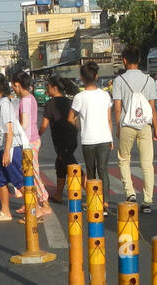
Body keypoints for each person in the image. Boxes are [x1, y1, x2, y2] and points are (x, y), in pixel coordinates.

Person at [111, 46, 157, 213]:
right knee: (147, 164)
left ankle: (130, 193)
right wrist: (156, 129)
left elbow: (117, 107)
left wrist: (118, 127)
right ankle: (148, 200)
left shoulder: (119, 81)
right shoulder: (150, 80)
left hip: (127, 125)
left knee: (124, 159)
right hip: (145, 126)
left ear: (125, 60)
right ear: (138, 60)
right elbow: (152, 108)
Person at [70, 60, 114, 215]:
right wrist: (111, 139)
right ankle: (106, 203)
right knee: (103, 170)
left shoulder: (79, 97)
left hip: (88, 139)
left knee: (91, 172)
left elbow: (70, 118)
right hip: (104, 138)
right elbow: (109, 119)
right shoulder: (105, 95)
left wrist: (80, 126)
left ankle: (93, 203)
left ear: (82, 78)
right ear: (96, 76)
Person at [0, 72, 27, 222]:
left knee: (18, 181)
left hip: (11, 148)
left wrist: (7, 152)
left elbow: (9, 131)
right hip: (2, 148)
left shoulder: (4, 104)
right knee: (0, 180)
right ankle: (5, 211)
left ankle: (34, 211)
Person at [10, 71, 50, 218]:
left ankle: (44, 203)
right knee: (29, 173)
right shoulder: (29, 98)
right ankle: (30, 202)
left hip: (29, 142)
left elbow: (25, 124)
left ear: (17, 84)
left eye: (13, 86)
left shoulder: (25, 100)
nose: (13, 89)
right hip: (31, 139)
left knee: (32, 174)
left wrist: (15, 137)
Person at [40, 75, 78, 203]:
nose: (46, 89)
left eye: (48, 87)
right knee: (60, 164)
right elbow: (75, 120)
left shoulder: (50, 104)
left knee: (73, 167)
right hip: (71, 138)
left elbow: (44, 125)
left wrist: (36, 136)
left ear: (54, 88)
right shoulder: (69, 102)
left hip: (62, 141)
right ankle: (59, 195)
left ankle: (91, 192)